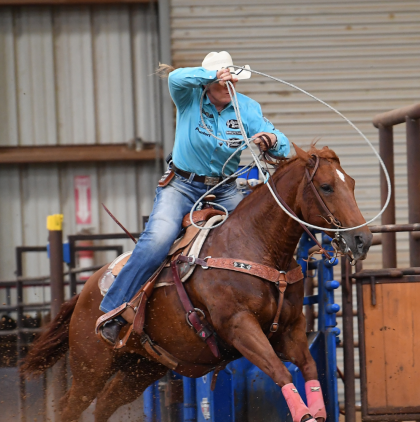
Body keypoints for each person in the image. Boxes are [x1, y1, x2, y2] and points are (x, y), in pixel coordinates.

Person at [96, 51, 291, 344]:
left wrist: (273, 140)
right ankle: (114, 310)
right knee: (158, 240)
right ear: (208, 83)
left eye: (232, 80)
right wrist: (213, 74)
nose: (229, 86)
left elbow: (283, 145)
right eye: (222, 81)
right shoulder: (189, 99)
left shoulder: (247, 109)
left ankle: (269, 308)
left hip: (225, 188)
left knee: (260, 236)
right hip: (182, 186)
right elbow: (176, 78)